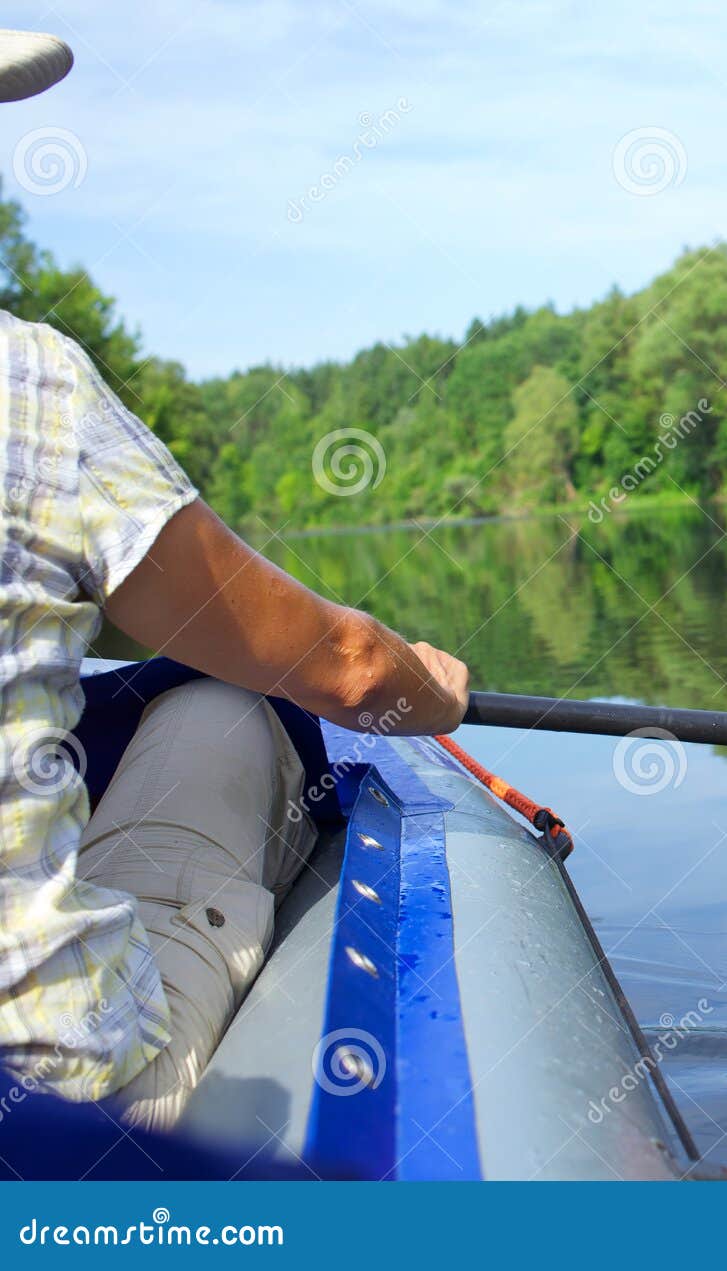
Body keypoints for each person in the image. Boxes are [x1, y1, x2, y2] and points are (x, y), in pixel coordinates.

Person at [0, 29, 470, 1130]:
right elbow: (349, 673)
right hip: (49, 1101)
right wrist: (437, 686)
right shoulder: (30, 385)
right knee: (220, 703)